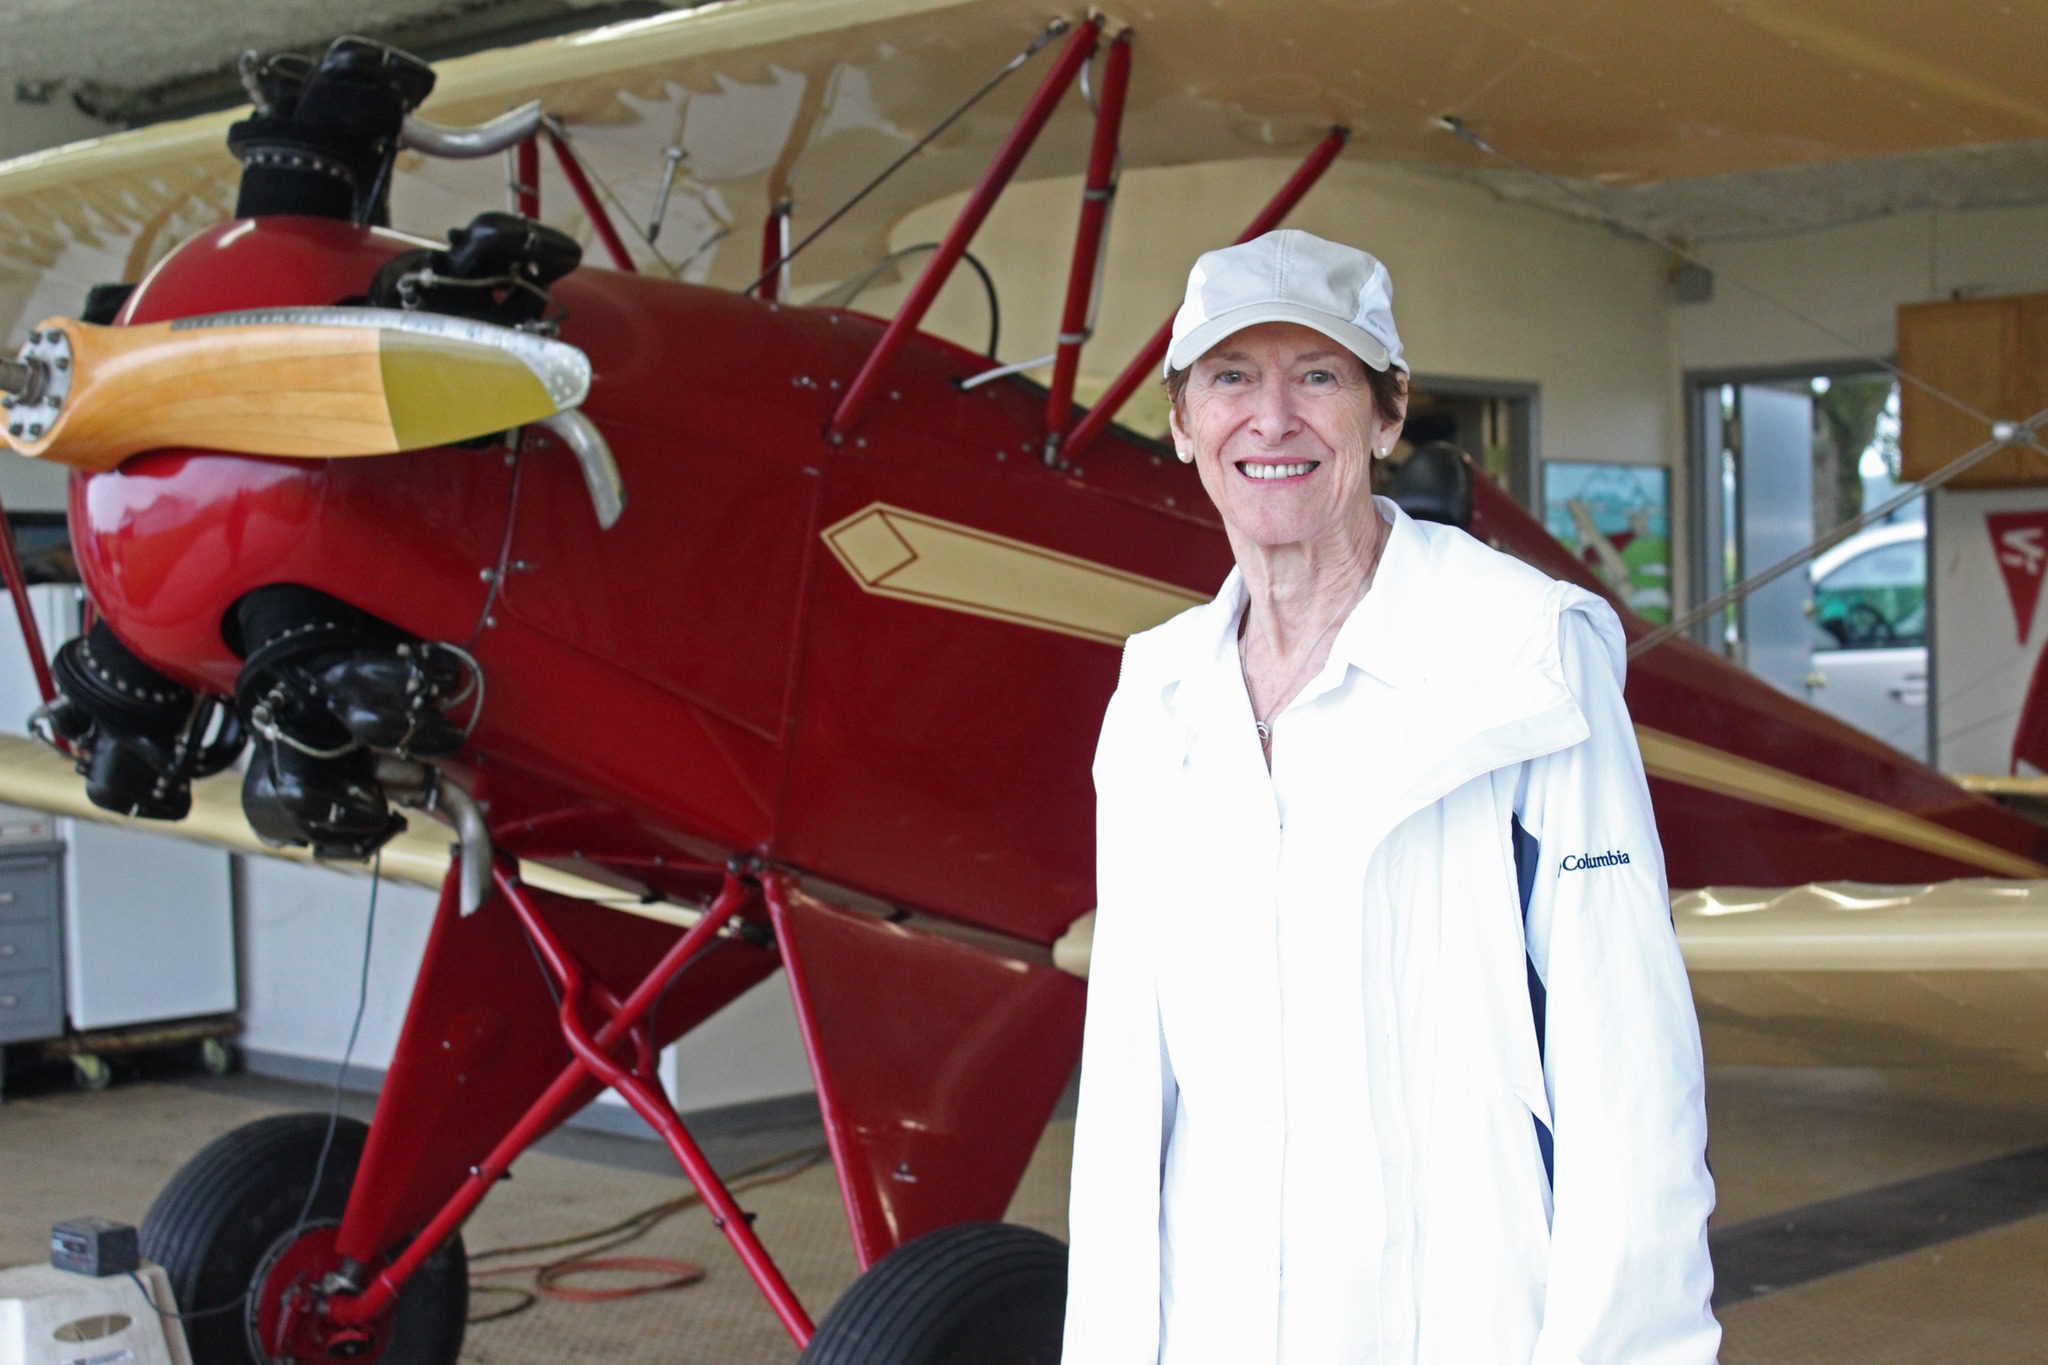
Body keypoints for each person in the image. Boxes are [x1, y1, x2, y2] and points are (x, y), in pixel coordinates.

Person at [1061, 230, 1718, 1364]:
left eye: (1316, 375)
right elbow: (1125, 1097)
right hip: (1211, 1328)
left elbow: (1628, 1070)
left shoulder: (1526, 657)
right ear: (1180, 424)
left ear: (1385, 412)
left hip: (1457, 1321)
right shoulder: (1157, 690)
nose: (1271, 420)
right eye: (1230, 378)